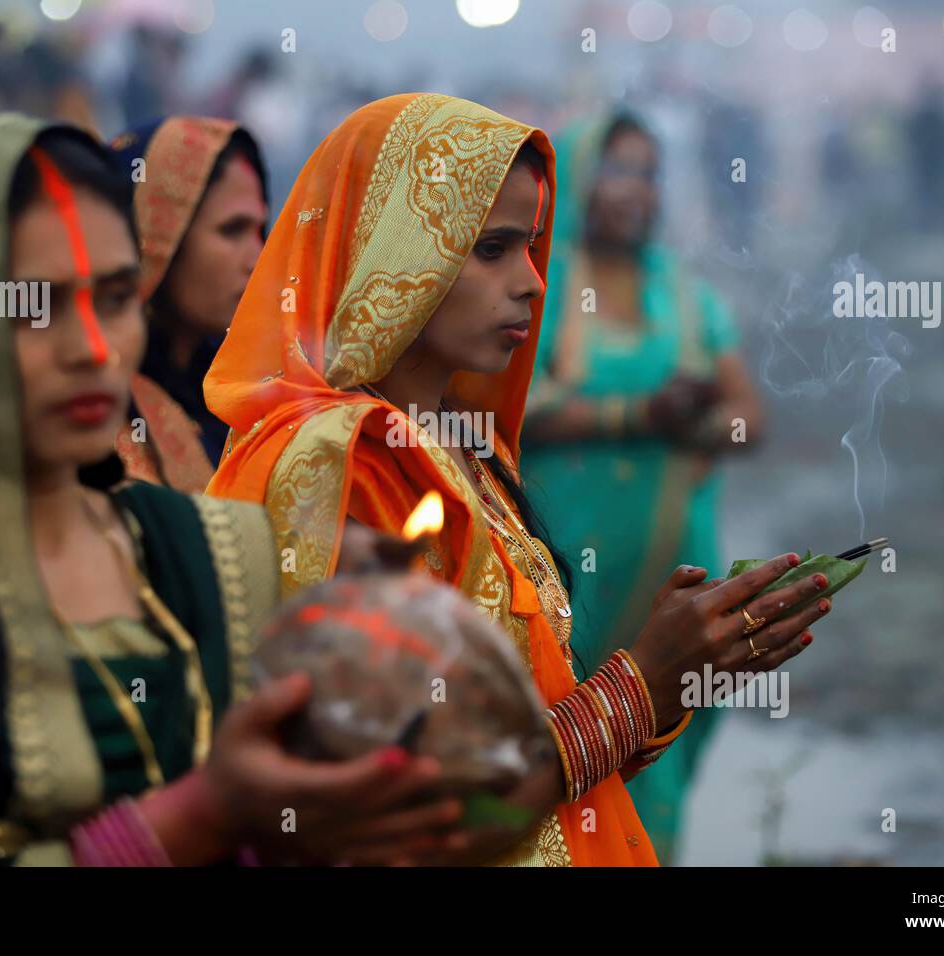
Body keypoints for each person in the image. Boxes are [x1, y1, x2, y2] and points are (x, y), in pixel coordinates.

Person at [0, 114, 476, 866]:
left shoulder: (209, 551)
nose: (92, 348)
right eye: (32, 306)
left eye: (115, 298)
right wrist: (184, 824)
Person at [204, 93, 832, 866]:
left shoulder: (462, 451)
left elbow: (530, 747)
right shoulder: (338, 467)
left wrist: (671, 679)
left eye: (532, 246)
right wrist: (636, 688)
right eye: (494, 248)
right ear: (394, 250)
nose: (532, 282)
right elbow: (408, 813)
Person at [518, 112, 762, 861]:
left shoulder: (683, 295)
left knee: (661, 736)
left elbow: (751, 416)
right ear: (585, 178)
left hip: (671, 557)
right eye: (618, 169)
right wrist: (636, 415)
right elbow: (506, 406)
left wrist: (699, 425)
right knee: (564, 732)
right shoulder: (541, 277)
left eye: (649, 173)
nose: (634, 190)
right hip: (566, 568)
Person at [110, 117, 268, 491]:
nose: (259, 259)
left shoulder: (250, 400)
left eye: (261, 231)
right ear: (158, 237)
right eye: (232, 230)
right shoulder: (89, 403)